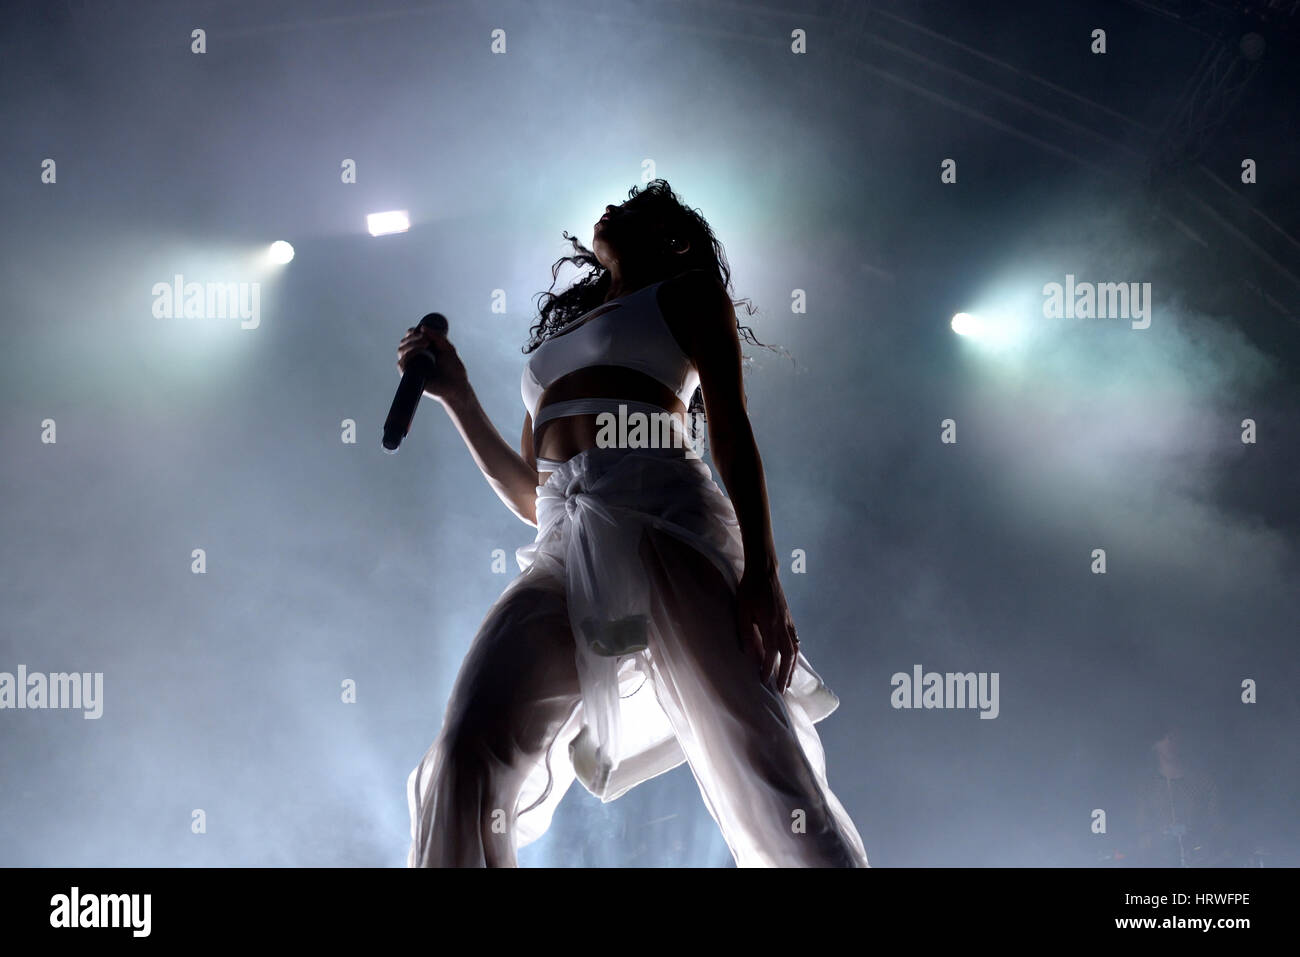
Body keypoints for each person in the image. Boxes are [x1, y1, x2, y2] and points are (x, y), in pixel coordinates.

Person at [400, 179, 868, 867]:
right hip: (564, 551)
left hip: (665, 525)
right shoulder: (556, 343)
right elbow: (535, 495)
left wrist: (764, 576)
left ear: (673, 239)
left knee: (767, 772)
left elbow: (731, 432)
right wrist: (460, 396)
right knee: (467, 747)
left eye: (639, 205)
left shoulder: (685, 297)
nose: (612, 206)